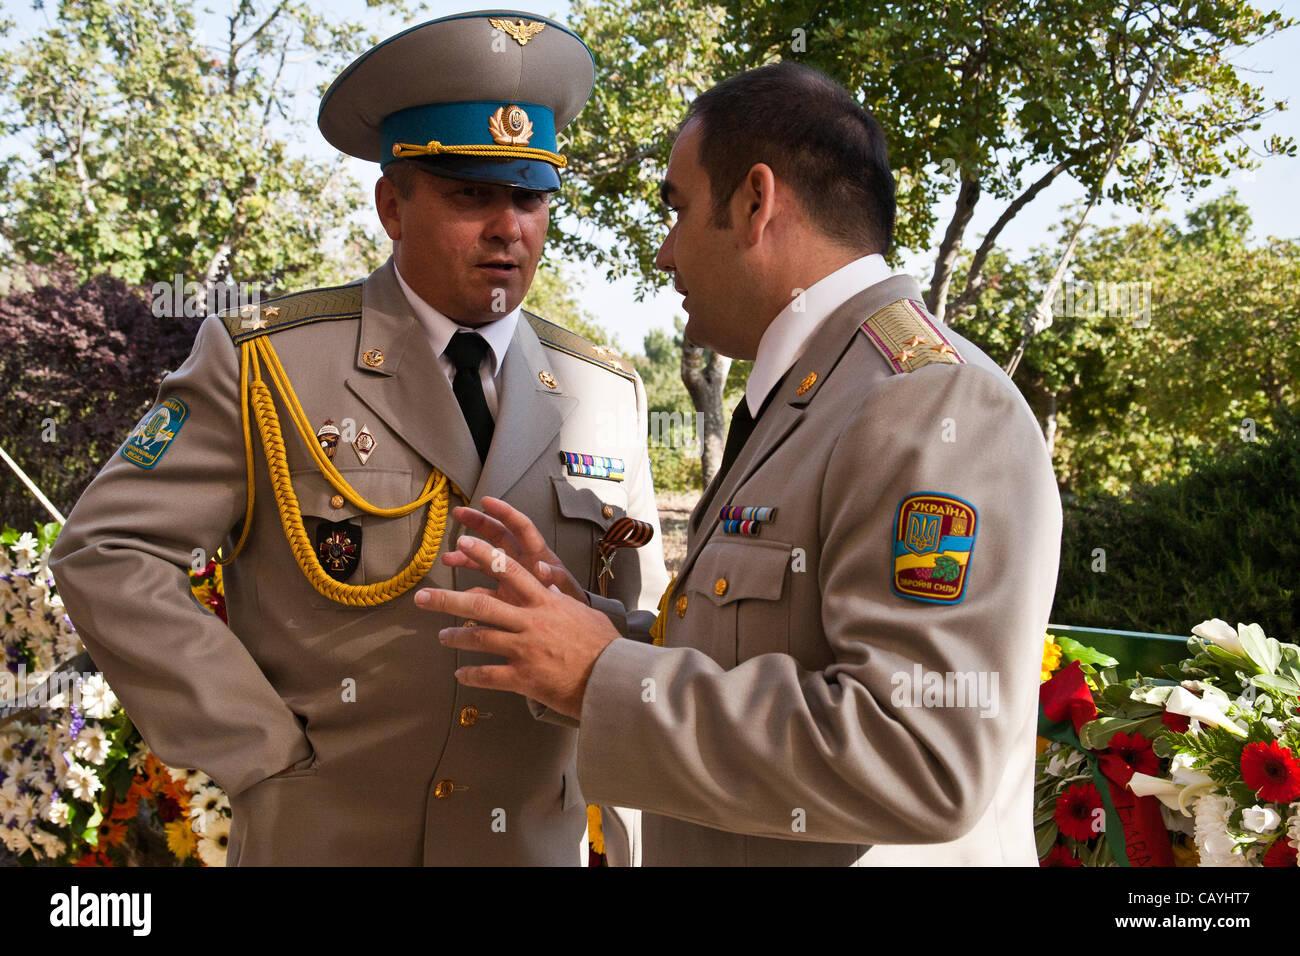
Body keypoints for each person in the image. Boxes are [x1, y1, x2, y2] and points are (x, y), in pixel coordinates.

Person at [48, 11, 667, 866]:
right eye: (470, 195)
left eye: (529, 197)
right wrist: (262, 753)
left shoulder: (604, 391)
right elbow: (109, 550)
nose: (509, 227)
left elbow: (646, 622)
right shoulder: (266, 360)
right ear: (391, 205)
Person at [415, 62, 1064, 865]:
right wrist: (584, 626)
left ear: (755, 203)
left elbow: (920, 756)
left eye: (678, 209)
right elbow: (757, 655)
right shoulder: (812, 391)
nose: (663, 252)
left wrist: (601, 676)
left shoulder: (930, 402)